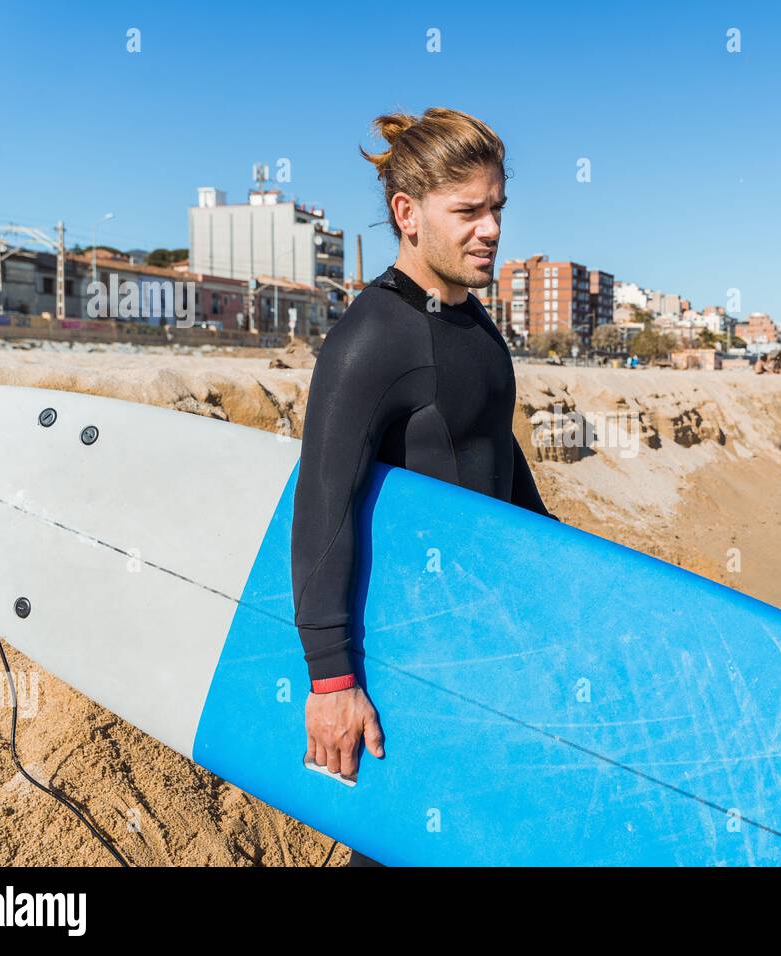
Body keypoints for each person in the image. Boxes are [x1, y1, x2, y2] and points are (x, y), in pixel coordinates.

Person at [289, 108, 559, 868]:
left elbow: (490, 443)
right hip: (409, 655)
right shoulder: (372, 338)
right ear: (408, 215)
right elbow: (323, 507)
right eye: (468, 211)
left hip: (480, 640)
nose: (491, 229)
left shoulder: (471, 321)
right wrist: (332, 678)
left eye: (497, 208)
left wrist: (558, 559)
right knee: (402, 846)